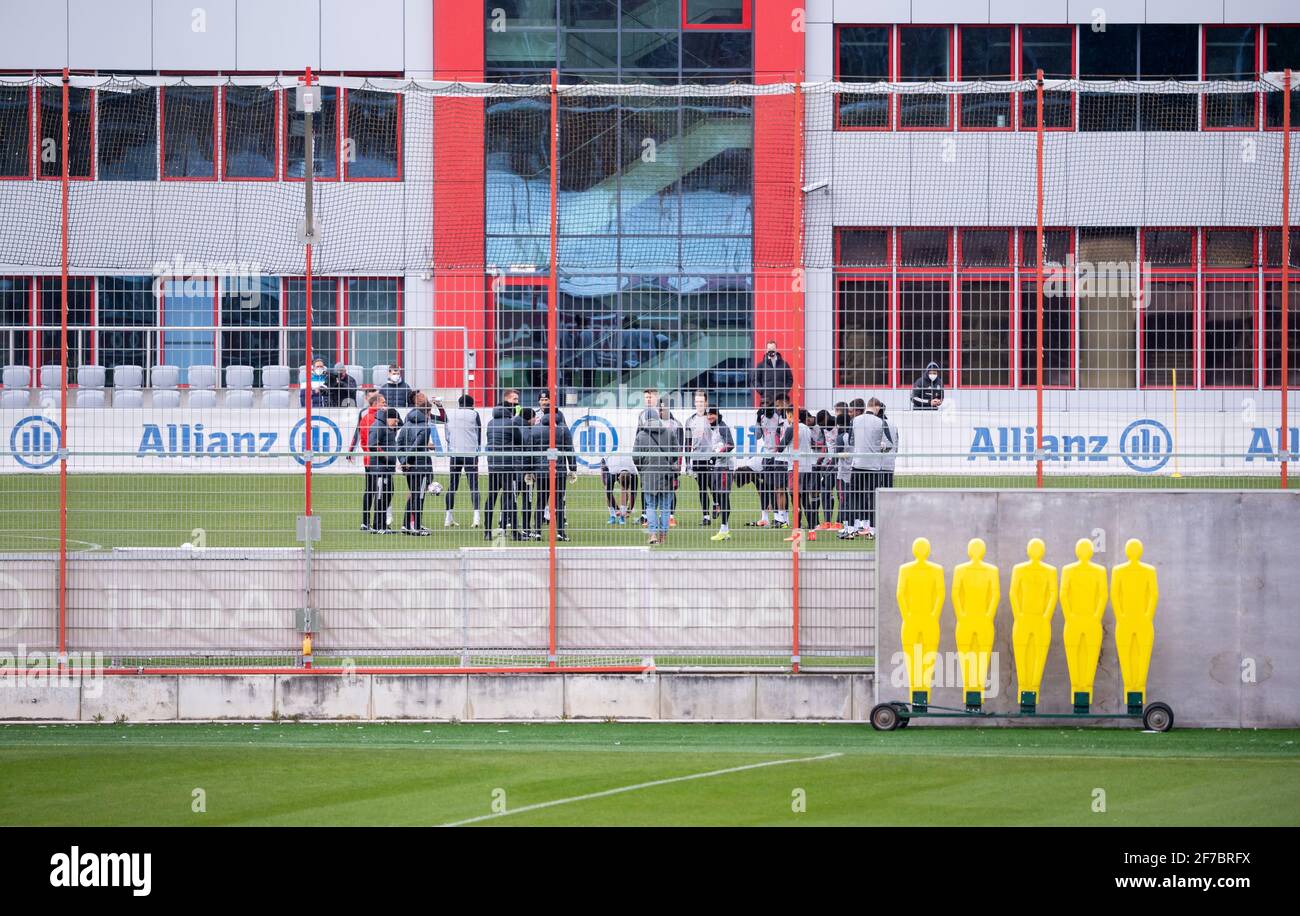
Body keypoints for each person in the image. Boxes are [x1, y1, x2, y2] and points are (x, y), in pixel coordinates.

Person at [842, 397, 890, 540]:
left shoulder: (854, 421)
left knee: (853, 497)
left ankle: (851, 529)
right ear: (876, 407)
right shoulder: (881, 422)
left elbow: (850, 441)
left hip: (857, 465)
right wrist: (880, 448)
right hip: (874, 467)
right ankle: (872, 530)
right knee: (872, 498)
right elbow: (889, 445)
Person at [633, 407, 675, 546]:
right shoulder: (669, 433)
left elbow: (635, 458)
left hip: (649, 475)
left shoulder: (641, 436)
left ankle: (652, 534)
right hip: (666, 475)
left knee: (650, 505)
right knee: (665, 507)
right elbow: (676, 453)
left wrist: (643, 469)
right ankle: (663, 535)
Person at [537, 397, 576, 542]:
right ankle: (560, 532)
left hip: (541, 470)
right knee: (559, 501)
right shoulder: (563, 429)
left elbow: (531, 450)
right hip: (558, 470)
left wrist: (531, 469)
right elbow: (569, 450)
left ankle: (537, 531)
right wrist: (572, 468)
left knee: (540, 501)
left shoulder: (536, 429)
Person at [396, 395, 435, 535]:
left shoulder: (407, 423)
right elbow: (416, 447)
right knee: (419, 496)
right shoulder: (425, 427)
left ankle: (406, 525)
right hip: (420, 466)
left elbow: (399, 443)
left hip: (409, 466)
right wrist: (407, 460)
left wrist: (403, 460)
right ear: (428, 412)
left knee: (413, 494)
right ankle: (416, 527)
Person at [484, 400, 522, 539]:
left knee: (491, 497)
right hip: (507, 465)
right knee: (510, 497)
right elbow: (519, 440)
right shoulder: (511, 423)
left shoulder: (490, 423)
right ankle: (514, 532)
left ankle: (487, 531)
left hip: (493, 464)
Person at [349, 391, 385, 532]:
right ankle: (378, 523)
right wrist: (386, 455)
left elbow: (364, 440)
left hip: (368, 459)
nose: (385, 405)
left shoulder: (367, 417)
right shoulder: (374, 419)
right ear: (375, 404)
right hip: (376, 460)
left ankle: (366, 522)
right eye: (383, 402)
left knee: (370, 490)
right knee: (380, 490)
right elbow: (373, 442)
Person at [445, 393, 482, 528]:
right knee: (473, 486)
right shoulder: (474, 414)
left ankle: (448, 517)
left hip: (455, 453)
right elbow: (478, 434)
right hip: (470, 454)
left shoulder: (451, 414)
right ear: (472, 405)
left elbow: (447, 434)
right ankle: (476, 517)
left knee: (452, 485)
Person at [365, 408, 401, 534]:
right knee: (381, 496)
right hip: (380, 468)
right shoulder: (379, 426)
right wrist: (385, 456)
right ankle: (378, 526)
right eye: (395, 420)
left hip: (386, 468)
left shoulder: (386, 426)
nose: (397, 423)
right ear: (388, 418)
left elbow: (400, 423)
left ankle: (382, 525)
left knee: (388, 494)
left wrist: (392, 416)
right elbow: (372, 444)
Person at [684, 391, 715, 525]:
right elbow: (687, 443)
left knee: (712, 485)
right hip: (697, 458)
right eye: (697, 402)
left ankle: (717, 503)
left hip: (710, 457)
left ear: (706, 403)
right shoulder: (690, 420)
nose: (699, 405)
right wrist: (687, 463)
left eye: (701, 402)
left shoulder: (711, 418)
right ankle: (706, 516)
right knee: (702, 487)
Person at [705, 407, 735, 542]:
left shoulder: (722, 427)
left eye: (712, 414)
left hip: (724, 467)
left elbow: (730, 445)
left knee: (723, 496)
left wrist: (717, 454)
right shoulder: (715, 428)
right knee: (720, 496)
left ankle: (724, 529)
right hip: (719, 467)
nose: (709, 417)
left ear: (717, 415)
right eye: (708, 414)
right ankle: (725, 529)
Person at [516, 407, 544, 541]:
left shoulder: (513, 427)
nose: (536, 420)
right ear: (529, 418)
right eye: (534, 417)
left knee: (511, 500)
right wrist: (531, 470)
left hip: (513, 470)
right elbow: (530, 454)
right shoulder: (529, 432)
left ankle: (505, 526)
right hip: (526, 472)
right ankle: (526, 529)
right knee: (527, 500)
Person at [751, 340, 793, 407]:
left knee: (782, 416)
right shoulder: (761, 365)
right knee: (766, 416)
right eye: (769, 349)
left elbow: (790, 380)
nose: (771, 350)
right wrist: (762, 391)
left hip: (781, 399)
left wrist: (784, 391)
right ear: (766, 350)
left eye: (773, 349)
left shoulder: (784, 364)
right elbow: (755, 380)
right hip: (766, 398)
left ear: (776, 349)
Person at [601, 453, 638, 525]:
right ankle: (612, 515)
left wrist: (628, 510)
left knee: (624, 491)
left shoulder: (634, 471)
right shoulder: (613, 471)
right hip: (607, 464)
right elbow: (609, 492)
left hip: (623, 464)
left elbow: (634, 493)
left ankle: (622, 515)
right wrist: (616, 509)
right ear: (618, 477)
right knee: (607, 489)